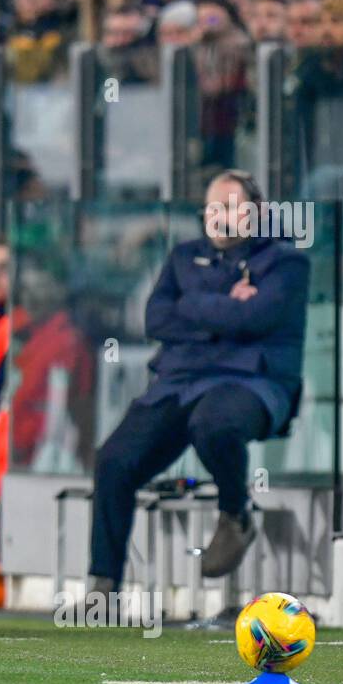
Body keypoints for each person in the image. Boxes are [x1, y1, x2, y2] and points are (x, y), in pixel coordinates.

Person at [87, 170, 310, 598]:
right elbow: (155, 319)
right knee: (113, 459)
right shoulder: (184, 256)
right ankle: (104, 582)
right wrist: (226, 307)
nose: (221, 217)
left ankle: (235, 516)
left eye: (231, 207)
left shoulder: (286, 262)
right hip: (179, 380)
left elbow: (255, 319)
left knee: (214, 423)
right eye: (213, 208)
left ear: (256, 212)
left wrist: (192, 307)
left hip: (253, 381)